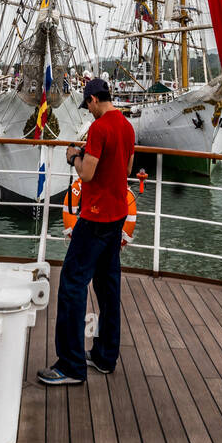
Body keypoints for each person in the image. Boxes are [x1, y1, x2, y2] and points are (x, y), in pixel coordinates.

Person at [37, 78, 135, 386]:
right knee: (107, 287)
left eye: (87, 105)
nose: (88, 111)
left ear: (93, 99)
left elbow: (87, 173)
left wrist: (73, 156)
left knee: (71, 284)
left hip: (94, 218)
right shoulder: (126, 126)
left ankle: (70, 365)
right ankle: (105, 356)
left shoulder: (100, 128)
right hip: (116, 215)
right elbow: (127, 169)